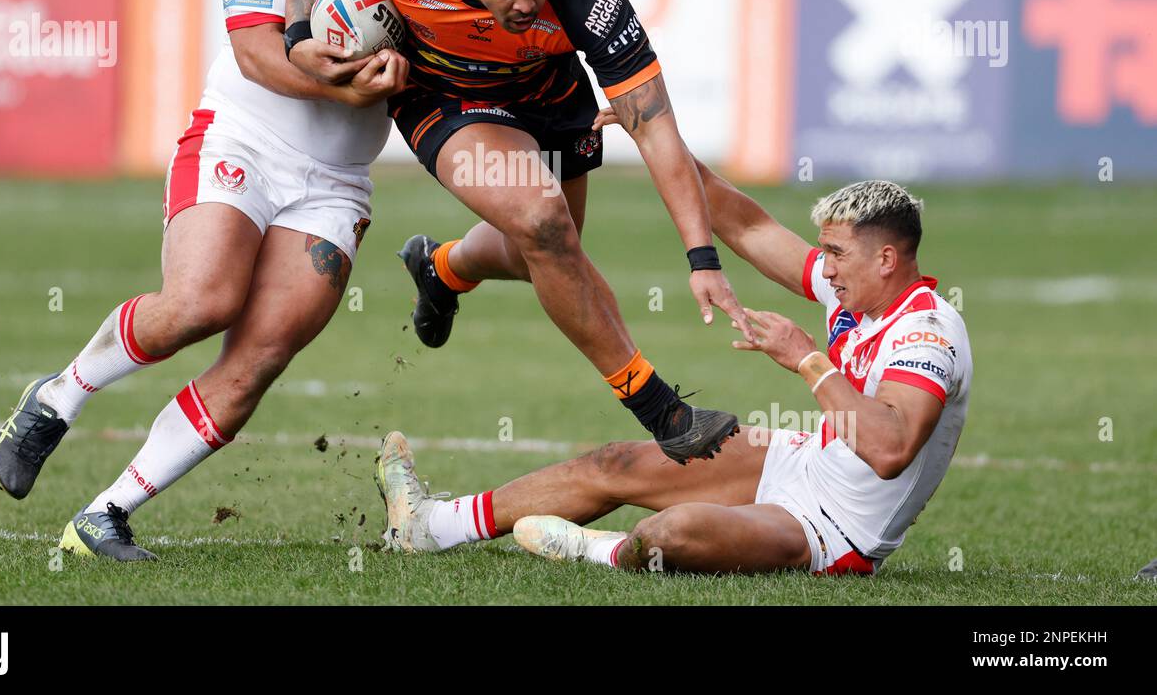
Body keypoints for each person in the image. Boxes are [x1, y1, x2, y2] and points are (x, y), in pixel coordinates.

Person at [0, 0, 470, 562]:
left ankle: (103, 515)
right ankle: (58, 396)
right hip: (244, 138)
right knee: (198, 304)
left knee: (256, 363)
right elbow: (255, 52)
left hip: (337, 179)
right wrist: (344, 84)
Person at [283, 0, 756, 465]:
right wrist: (297, 37)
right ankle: (662, 411)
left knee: (548, 248)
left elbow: (654, 125)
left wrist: (701, 256)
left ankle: (443, 267)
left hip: (552, 100)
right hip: (447, 98)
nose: (527, 3)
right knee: (543, 222)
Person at [376, 177, 972, 576]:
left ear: (887, 259)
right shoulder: (857, 290)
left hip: (835, 528)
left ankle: (596, 551)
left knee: (675, 533)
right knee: (618, 462)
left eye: (836, 254)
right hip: (800, 460)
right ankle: (429, 527)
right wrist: (653, 133)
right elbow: (749, 226)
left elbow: (890, 448)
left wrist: (807, 360)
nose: (825, 268)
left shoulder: (927, 333)